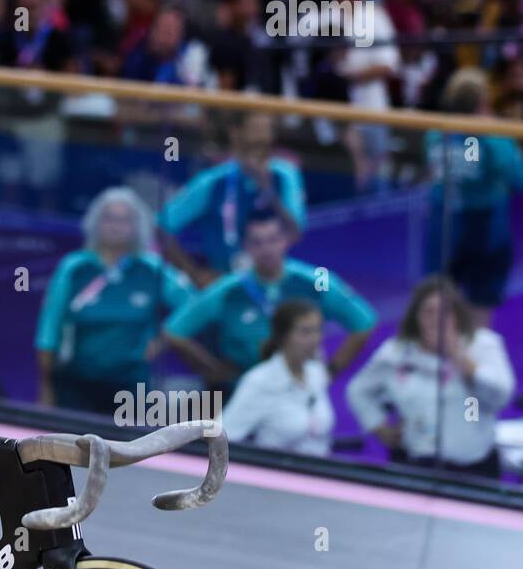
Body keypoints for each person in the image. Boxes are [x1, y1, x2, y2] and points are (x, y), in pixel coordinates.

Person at [164, 211, 377, 383]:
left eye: (273, 240)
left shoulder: (316, 281)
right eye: (257, 242)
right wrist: (213, 369)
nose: (266, 249)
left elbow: (364, 322)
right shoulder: (228, 289)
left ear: (285, 241)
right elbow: (175, 331)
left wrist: (331, 371)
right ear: (246, 247)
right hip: (242, 387)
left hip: (300, 388)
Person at [35, 187, 192, 415]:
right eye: (108, 218)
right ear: (95, 223)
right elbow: (49, 329)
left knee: (125, 448)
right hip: (75, 381)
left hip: (131, 387)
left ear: (137, 226)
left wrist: (163, 339)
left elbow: (194, 305)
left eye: (124, 219)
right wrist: (45, 387)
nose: (115, 225)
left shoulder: (152, 268)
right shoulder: (75, 267)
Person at [346, 277, 515, 479]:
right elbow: (358, 390)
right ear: (416, 317)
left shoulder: (483, 345)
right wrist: (378, 427)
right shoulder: (397, 352)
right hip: (416, 464)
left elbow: (502, 395)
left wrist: (459, 357)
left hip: (473, 467)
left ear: (457, 316)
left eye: (445, 312)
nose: (437, 319)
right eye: (429, 312)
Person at [423, 68, 523, 326]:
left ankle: (450, 354)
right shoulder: (494, 137)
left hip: (444, 225)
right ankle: (469, 360)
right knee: (479, 306)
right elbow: (517, 178)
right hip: (484, 230)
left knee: (443, 299)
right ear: (483, 101)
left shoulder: (435, 132)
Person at [158, 111, 306, 284]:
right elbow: (162, 227)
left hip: (273, 281)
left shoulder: (285, 174)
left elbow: (295, 233)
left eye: (268, 130)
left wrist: (267, 189)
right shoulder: (212, 181)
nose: (263, 138)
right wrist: (195, 274)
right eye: (256, 129)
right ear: (236, 133)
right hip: (225, 282)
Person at [219, 299, 335, 456]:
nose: (316, 339)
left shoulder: (317, 373)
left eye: (318, 330)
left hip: (323, 474)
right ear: (283, 336)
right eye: (306, 332)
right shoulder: (259, 381)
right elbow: (224, 437)